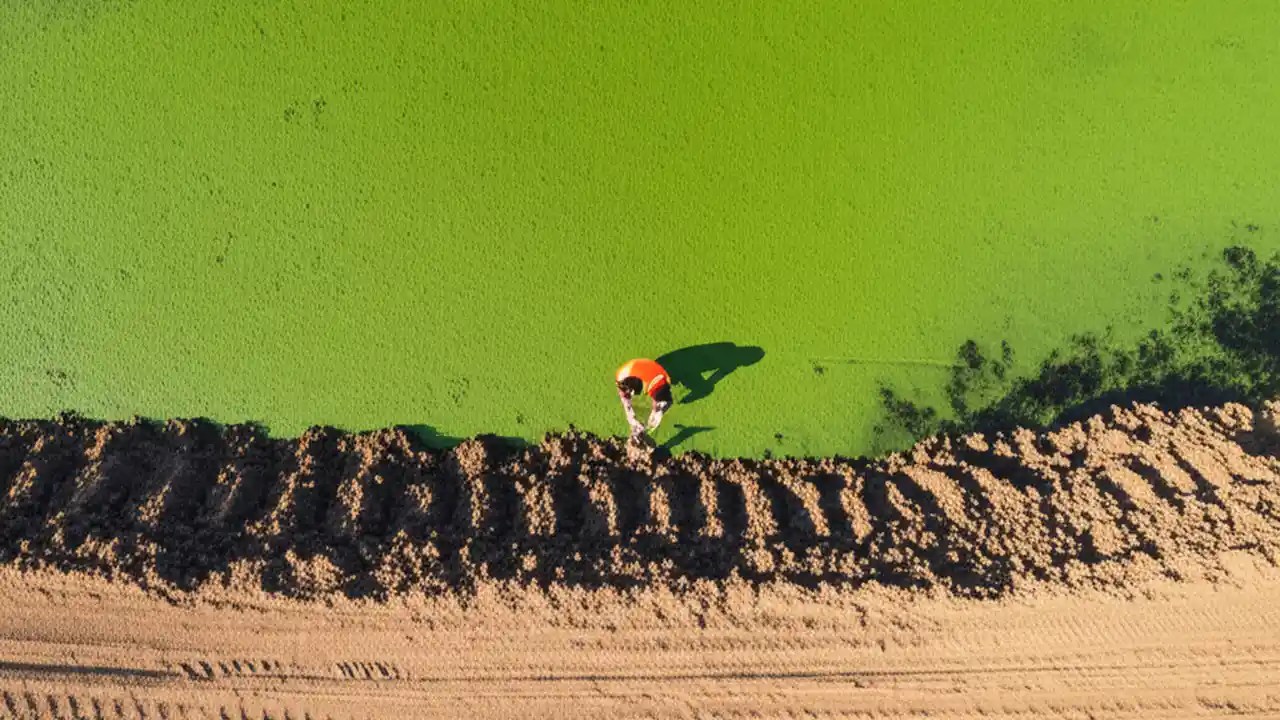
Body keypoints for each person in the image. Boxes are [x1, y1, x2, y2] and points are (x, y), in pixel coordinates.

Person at [615, 358, 673, 438]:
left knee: (664, 403)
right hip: (645, 368)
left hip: (657, 375)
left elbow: (660, 403)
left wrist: (656, 414)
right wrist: (631, 418)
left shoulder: (655, 382)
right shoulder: (622, 375)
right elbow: (623, 394)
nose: (630, 393)